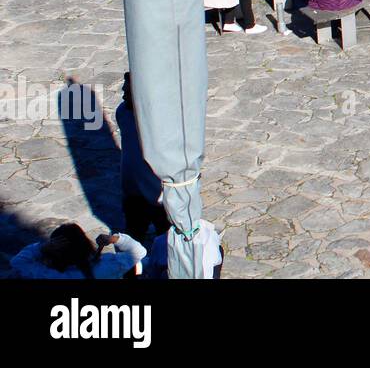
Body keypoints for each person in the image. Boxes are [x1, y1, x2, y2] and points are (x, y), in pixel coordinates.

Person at [116, 74, 167, 244]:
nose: (123, 93)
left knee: (165, 235)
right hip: (132, 189)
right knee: (133, 234)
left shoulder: (155, 119)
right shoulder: (122, 112)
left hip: (156, 192)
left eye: (127, 90)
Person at [9, 223, 148, 279]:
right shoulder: (106, 266)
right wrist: (114, 239)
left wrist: (42, 247)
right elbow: (138, 251)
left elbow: (17, 262)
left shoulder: (47, 274)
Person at [145, 220, 225, 279]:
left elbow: (153, 272)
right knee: (219, 249)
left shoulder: (160, 241)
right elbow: (217, 259)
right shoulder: (209, 234)